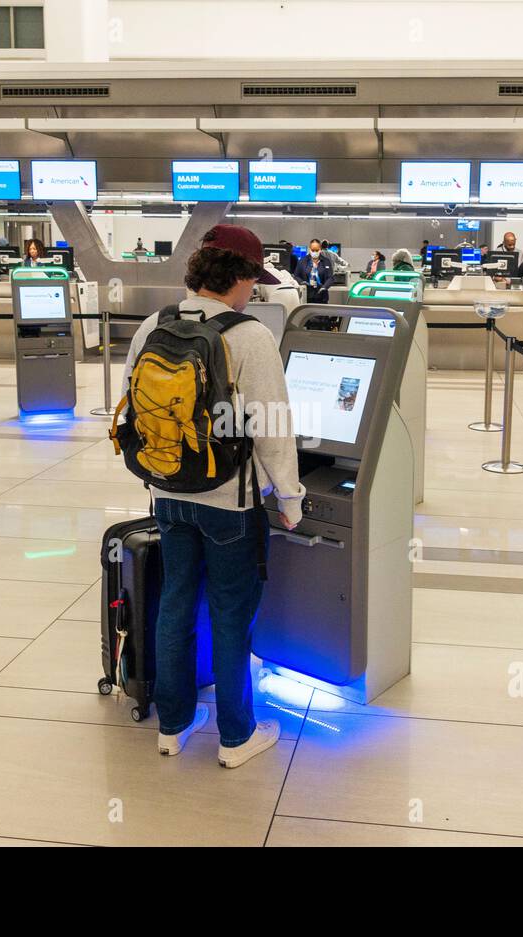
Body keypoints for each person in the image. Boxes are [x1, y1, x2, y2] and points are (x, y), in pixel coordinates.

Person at [120, 224, 303, 768]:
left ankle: (172, 727)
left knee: (175, 602)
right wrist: (290, 500)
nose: (255, 292)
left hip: (168, 492)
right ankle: (236, 736)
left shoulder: (153, 325)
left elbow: (135, 409)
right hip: (232, 503)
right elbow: (273, 427)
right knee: (230, 613)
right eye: (253, 281)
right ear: (240, 277)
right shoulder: (250, 337)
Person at [295, 238, 335, 304]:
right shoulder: (302, 261)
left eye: (317, 250)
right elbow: (296, 276)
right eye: (312, 250)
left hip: (322, 296)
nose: (314, 252)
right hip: (307, 296)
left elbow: (330, 278)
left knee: (322, 314)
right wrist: (302, 282)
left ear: (320, 249)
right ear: (309, 249)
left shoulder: (326, 261)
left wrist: (324, 287)